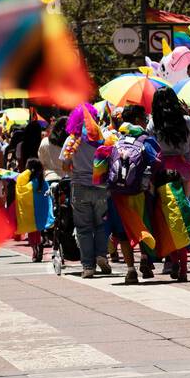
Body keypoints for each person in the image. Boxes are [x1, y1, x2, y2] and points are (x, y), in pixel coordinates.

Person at [150, 89, 190, 283]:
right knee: (185, 216)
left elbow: (152, 149)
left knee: (164, 218)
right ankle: (184, 266)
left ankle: (171, 261)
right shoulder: (188, 121)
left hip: (161, 171)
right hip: (184, 170)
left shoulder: (153, 122)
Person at [63, 103, 113, 279]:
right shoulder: (102, 137)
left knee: (83, 228)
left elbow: (65, 164)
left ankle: (88, 266)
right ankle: (101, 255)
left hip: (79, 187)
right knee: (101, 225)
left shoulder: (72, 139)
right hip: (100, 186)